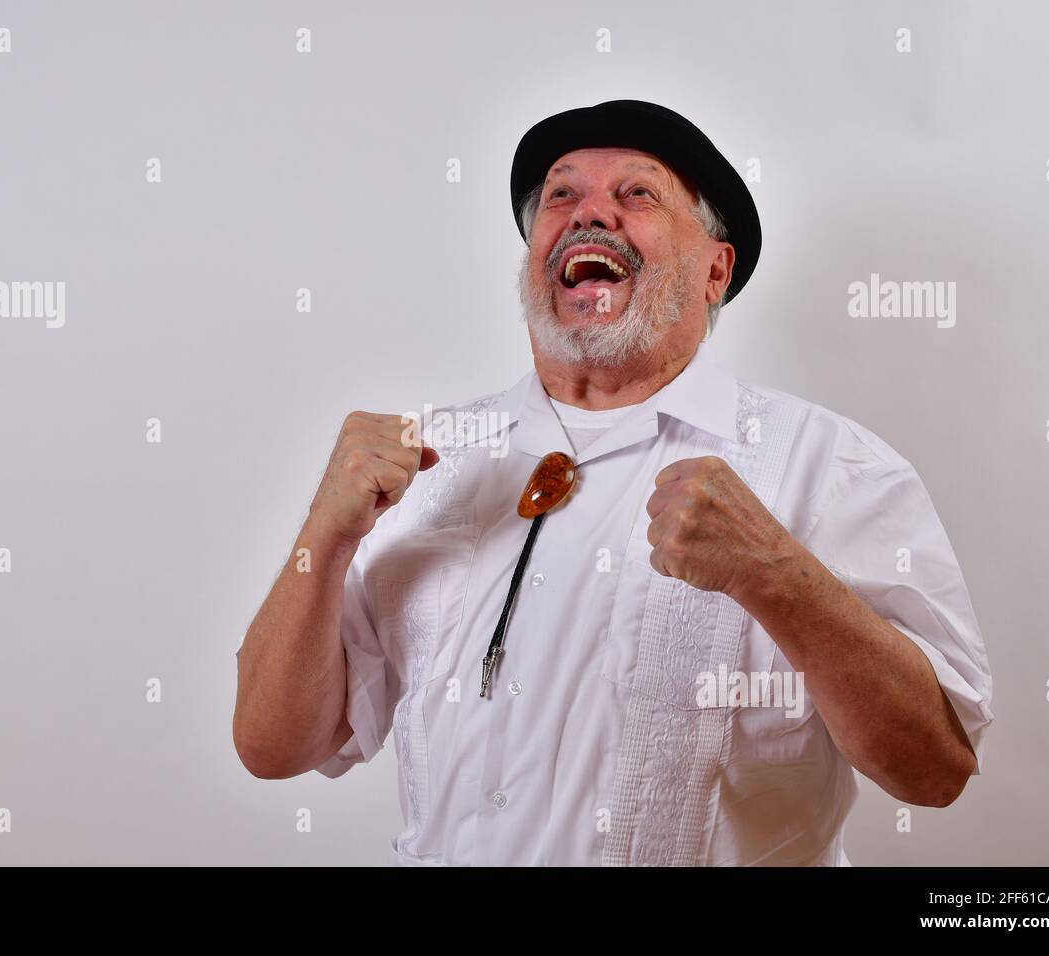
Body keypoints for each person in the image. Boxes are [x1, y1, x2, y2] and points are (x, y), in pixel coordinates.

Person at [232, 100, 994, 866]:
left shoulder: (833, 466)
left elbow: (935, 769)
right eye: (561, 196)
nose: (587, 213)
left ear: (714, 271)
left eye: (636, 194)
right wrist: (323, 536)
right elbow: (273, 746)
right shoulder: (427, 465)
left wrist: (779, 577)